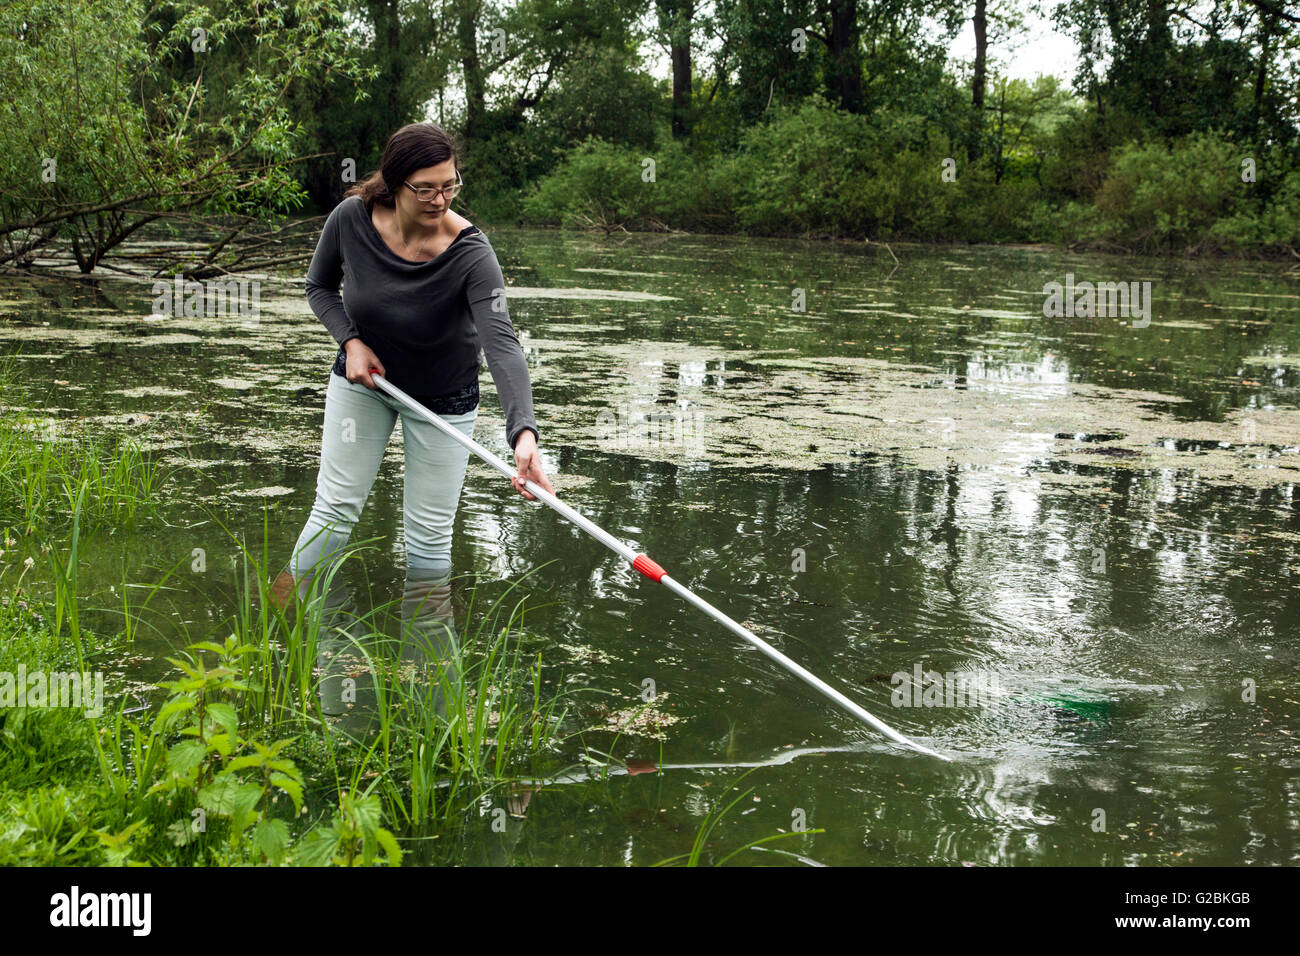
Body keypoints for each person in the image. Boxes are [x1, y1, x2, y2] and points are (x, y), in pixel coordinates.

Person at [274, 122, 553, 606]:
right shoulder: (350, 219)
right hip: (365, 384)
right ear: (394, 182)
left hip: (445, 397)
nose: (440, 200)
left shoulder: (472, 253)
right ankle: (277, 628)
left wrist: (523, 433)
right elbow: (319, 287)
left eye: (450, 185)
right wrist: (351, 341)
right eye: (425, 189)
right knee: (334, 508)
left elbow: (502, 343)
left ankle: (426, 667)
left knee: (428, 537)